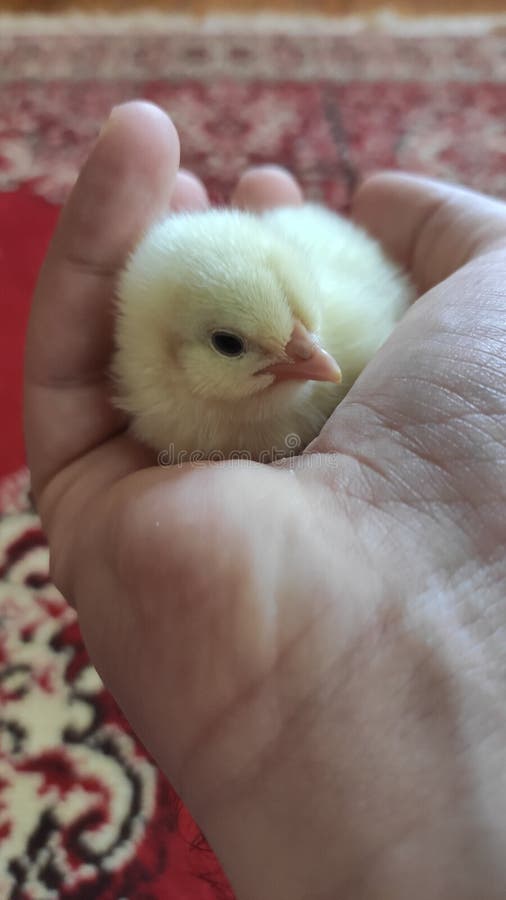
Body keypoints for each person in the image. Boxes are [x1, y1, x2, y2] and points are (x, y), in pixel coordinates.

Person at [24, 101, 506, 898]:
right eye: (229, 344)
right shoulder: (167, 401)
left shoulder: (344, 333)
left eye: (304, 328)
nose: (317, 358)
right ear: (168, 356)